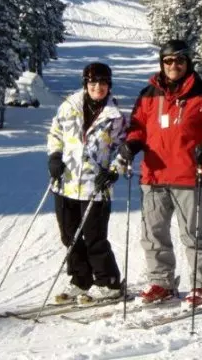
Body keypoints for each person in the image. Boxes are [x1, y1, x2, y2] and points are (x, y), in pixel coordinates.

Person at [117, 40, 202, 307]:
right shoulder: (148, 94)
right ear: (161, 63)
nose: (173, 65)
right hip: (154, 175)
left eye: (179, 60)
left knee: (194, 235)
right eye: (168, 61)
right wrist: (132, 143)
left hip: (190, 175)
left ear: (188, 62)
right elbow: (137, 126)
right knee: (153, 234)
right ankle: (162, 283)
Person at [47, 62, 126, 300]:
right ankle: (81, 279)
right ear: (86, 84)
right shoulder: (69, 106)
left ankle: (109, 282)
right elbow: (55, 133)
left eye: (103, 83)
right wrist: (54, 156)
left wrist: (114, 170)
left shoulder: (115, 116)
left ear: (108, 85)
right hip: (66, 182)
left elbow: (124, 147)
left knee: (94, 237)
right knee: (69, 236)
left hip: (96, 186)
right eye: (93, 83)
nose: (98, 88)